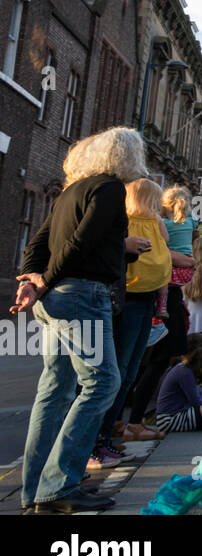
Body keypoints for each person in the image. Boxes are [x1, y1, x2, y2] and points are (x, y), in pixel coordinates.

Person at [13, 126, 148, 513]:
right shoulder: (109, 189)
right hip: (82, 296)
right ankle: (58, 486)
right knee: (103, 382)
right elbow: (79, 245)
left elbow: (39, 243)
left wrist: (32, 279)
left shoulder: (72, 190)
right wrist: (44, 281)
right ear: (125, 156)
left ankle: (37, 488)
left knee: (55, 389)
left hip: (57, 297)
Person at [93, 178, 173, 461]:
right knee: (124, 370)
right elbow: (165, 251)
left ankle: (107, 433)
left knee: (125, 370)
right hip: (136, 302)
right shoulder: (143, 224)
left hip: (135, 299)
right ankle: (101, 436)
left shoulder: (131, 222)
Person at [123, 186, 197, 435]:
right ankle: (133, 422)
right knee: (153, 362)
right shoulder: (152, 222)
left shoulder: (133, 222)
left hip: (144, 293)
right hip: (157, 295)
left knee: (137, 363)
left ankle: (122, 420)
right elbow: (162, 249)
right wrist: (185, 260)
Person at [155, 333, 202, 433]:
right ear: (201, 351)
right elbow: (196, 402)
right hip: (169, 420)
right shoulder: (184, 372)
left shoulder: (186, 368)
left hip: (181, 410)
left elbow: (197, 397)